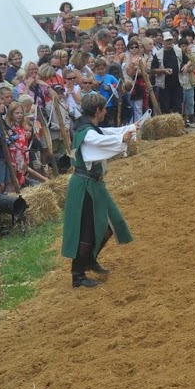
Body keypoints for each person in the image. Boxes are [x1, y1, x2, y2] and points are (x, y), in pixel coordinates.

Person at [61, 92, 142, 289]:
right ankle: (78, 275)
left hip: (94, 185)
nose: (106, 112)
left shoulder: (88, 128)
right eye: (104, 109)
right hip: (84, 187)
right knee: (87, 231)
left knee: (110, 225)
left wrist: (130, 129)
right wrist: (123, 138)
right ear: (97, 110)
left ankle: (89, 260)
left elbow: (106, 134)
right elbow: (102, 141)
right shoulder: (87, 133)